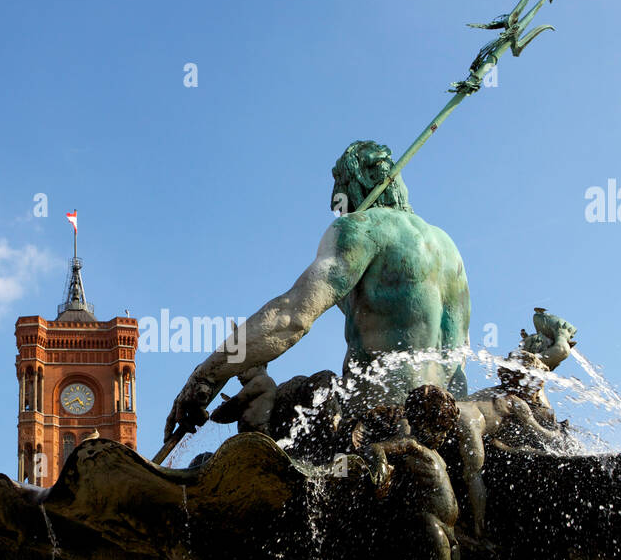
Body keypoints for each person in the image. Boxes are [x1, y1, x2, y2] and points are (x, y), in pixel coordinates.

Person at [165, 140, 471, 444]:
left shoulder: (361, 228)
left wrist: (206, 377)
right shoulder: (448, 249)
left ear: (356, 186)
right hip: (443, 424)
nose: (338, 210)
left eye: (340, 199)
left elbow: (291, 317)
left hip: (373, 421)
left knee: (289, 398)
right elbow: (459, 353)